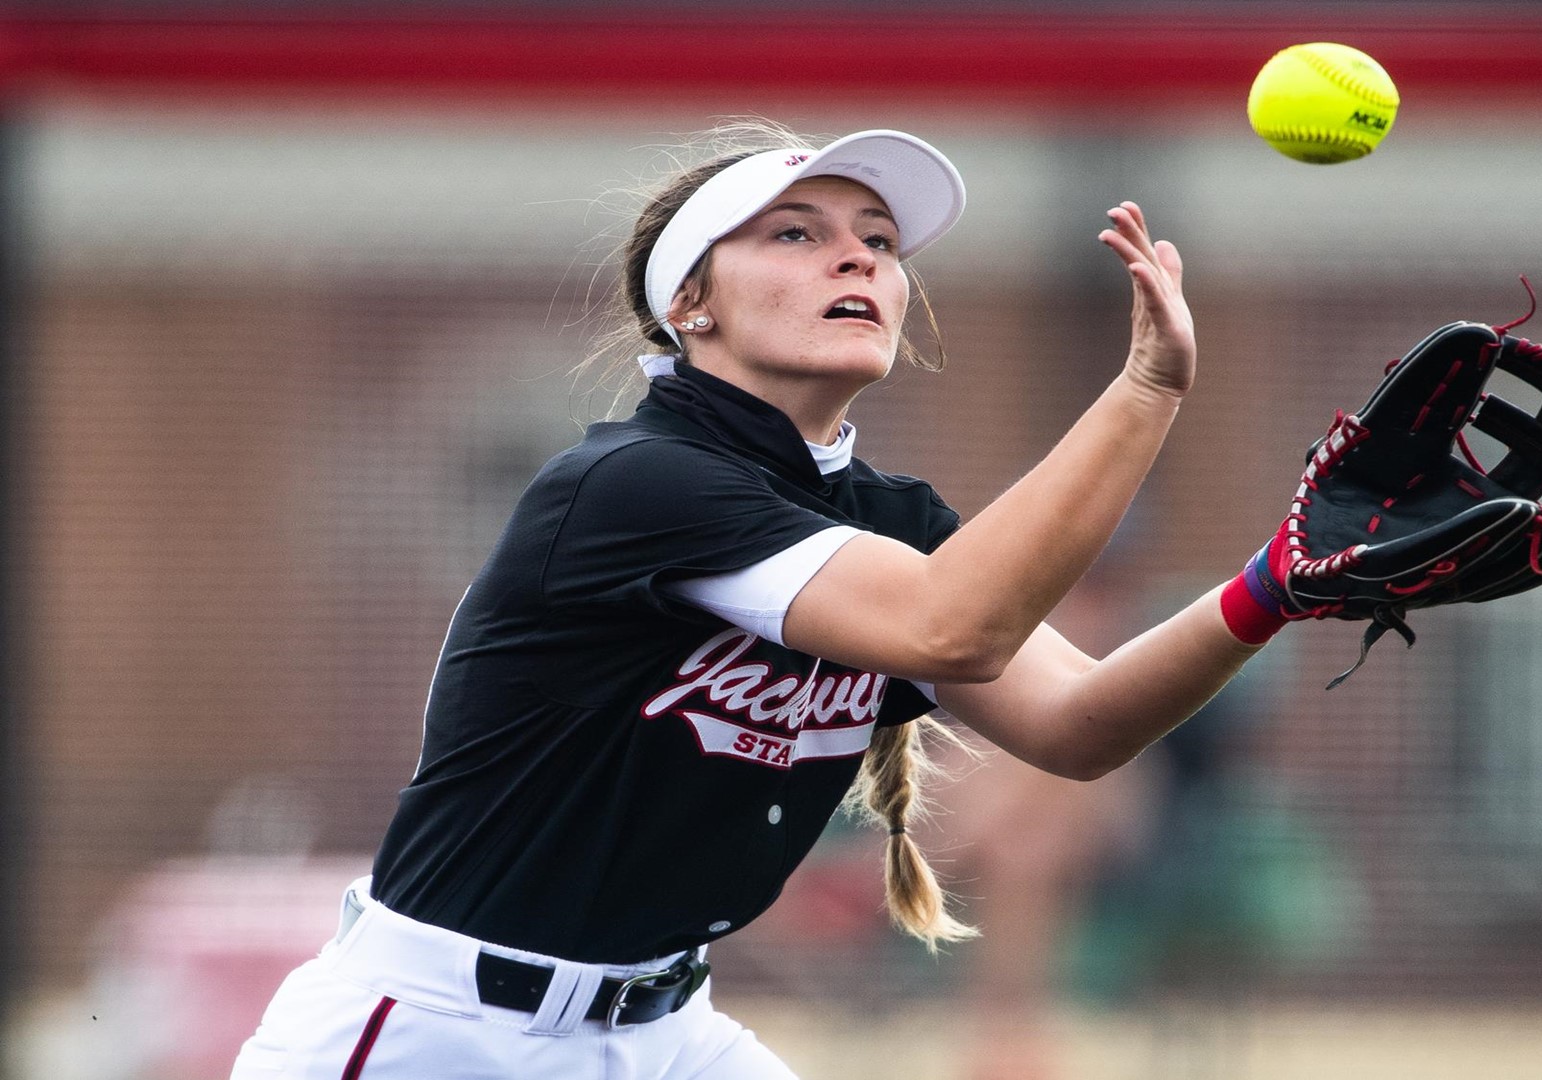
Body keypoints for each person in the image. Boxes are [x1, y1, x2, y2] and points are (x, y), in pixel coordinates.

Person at [230, 121, 1309, 1080]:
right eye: (795, 233)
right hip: (441, 1034)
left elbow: (1081, 724)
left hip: (665, 1033)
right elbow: (954, 628)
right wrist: (1147, 390)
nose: (859, 256)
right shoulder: (633, 486)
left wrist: (1278, 582)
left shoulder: (888, 518)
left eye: (879, 241)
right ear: (688, 304)